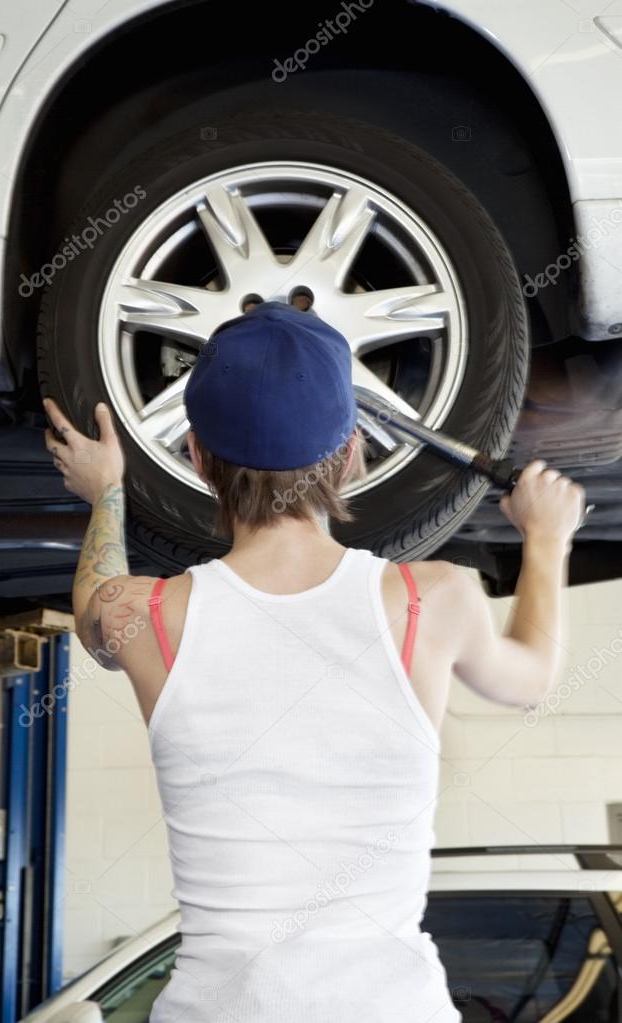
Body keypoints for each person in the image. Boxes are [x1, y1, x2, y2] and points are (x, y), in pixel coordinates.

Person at [44, 300, 586, 1023]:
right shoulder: (433, 598)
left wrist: (105, 488)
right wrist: (545, 539)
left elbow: (92, 596)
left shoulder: (145, 616)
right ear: (354, 451)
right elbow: (534, 676)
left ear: (198, 456)